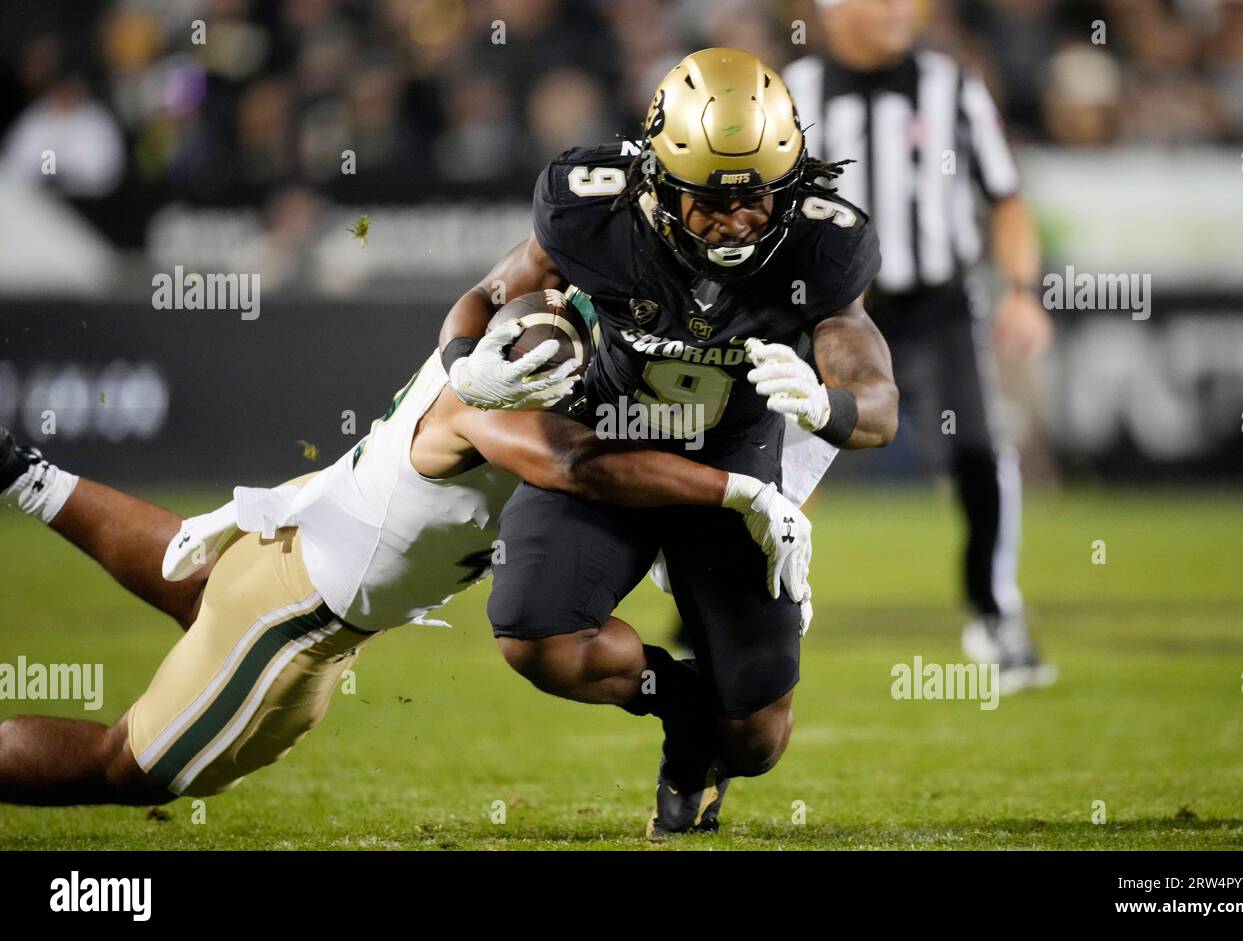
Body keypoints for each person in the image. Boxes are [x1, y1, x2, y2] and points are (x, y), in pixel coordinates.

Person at [0, 318, 810, 806]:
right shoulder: (500, 401)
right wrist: (737, 494)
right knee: (132, 768)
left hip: (301, 534)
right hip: (298, 620)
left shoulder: (484, 341)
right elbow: (580, 467)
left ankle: (24, 476)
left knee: (204, 588)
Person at [439, 48, 898, 837]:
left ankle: (708, 747)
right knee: (537, 635)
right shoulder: (594, 212)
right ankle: (684, 709)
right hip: (607, 446)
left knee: (755, 737)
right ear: (655, 182)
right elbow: (485, 299)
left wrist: (829, 405)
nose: (737, 221)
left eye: (757, 198)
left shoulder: (822, 244)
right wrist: (465, 367)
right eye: (710, 203)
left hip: (731, 461)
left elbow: (881, 403)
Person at [783, 0, 1056, 692]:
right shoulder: (793, 93)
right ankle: (738, 608)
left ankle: (995, 611)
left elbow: (1007, 196)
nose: (902, 10)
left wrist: (1023, 289)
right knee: (781, 460)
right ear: (835, 12)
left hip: (938, 305)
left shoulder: (953, 85)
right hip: (830, 312)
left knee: (978, 451)